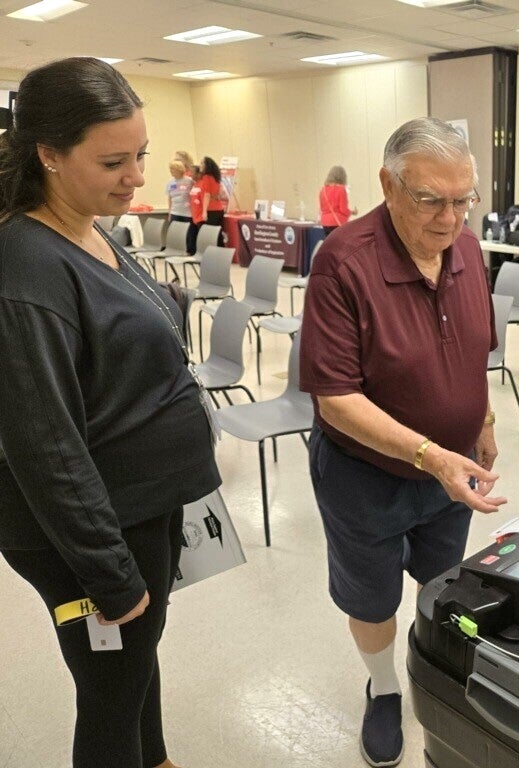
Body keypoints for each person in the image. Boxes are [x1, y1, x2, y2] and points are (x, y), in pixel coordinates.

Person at [0, 58, 220, 768]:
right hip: (91, 526)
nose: (137, 178)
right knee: (110, 689)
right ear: (49, 156)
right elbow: (44, 444)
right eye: (114, 161)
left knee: (136, 658)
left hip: (139, 505)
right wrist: (109, 575)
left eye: (142, 156)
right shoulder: (26, 269)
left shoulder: (95, 230)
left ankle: (154, 759)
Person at [300, 117, 504, 767]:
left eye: (464, 200)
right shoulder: (342, 262)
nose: (451, 219)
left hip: (452, 471)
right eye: (431, 200)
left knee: (440, 584)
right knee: (373, 596)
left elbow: (474, 350)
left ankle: (434, 672)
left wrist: (484, 424)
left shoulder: (468, 249)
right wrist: (431, 455)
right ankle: (384, 687)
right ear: (388, 185)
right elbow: (335, 396)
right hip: (368, 476)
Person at [186, 155, 225, 254]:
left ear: (207, 165)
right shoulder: (216, 177)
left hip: (211, 210)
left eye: (202, 163)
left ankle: (212, 254)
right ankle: (222, 253)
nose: (200, 165)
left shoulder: (207, 177)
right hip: (219, 209)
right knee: (217, 233)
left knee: (209, 234)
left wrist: (204, 212)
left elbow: (207, 195)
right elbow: (220, 193)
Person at [319, 164, 357, 236]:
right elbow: (343, 209)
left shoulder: (323, 190)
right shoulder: (341, 190)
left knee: (330, 244)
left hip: (325, 222)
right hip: (338, 223)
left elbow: (322, 208)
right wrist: (352, 212)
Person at [165, 159, 192, 225]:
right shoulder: (170, 182)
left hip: (187, 213)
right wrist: (170, 212)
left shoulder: (189, 181)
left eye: (172, 169)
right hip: (175, 213)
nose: (170, 171)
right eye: (170, 169)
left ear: (179, 169)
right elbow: (170, 198)